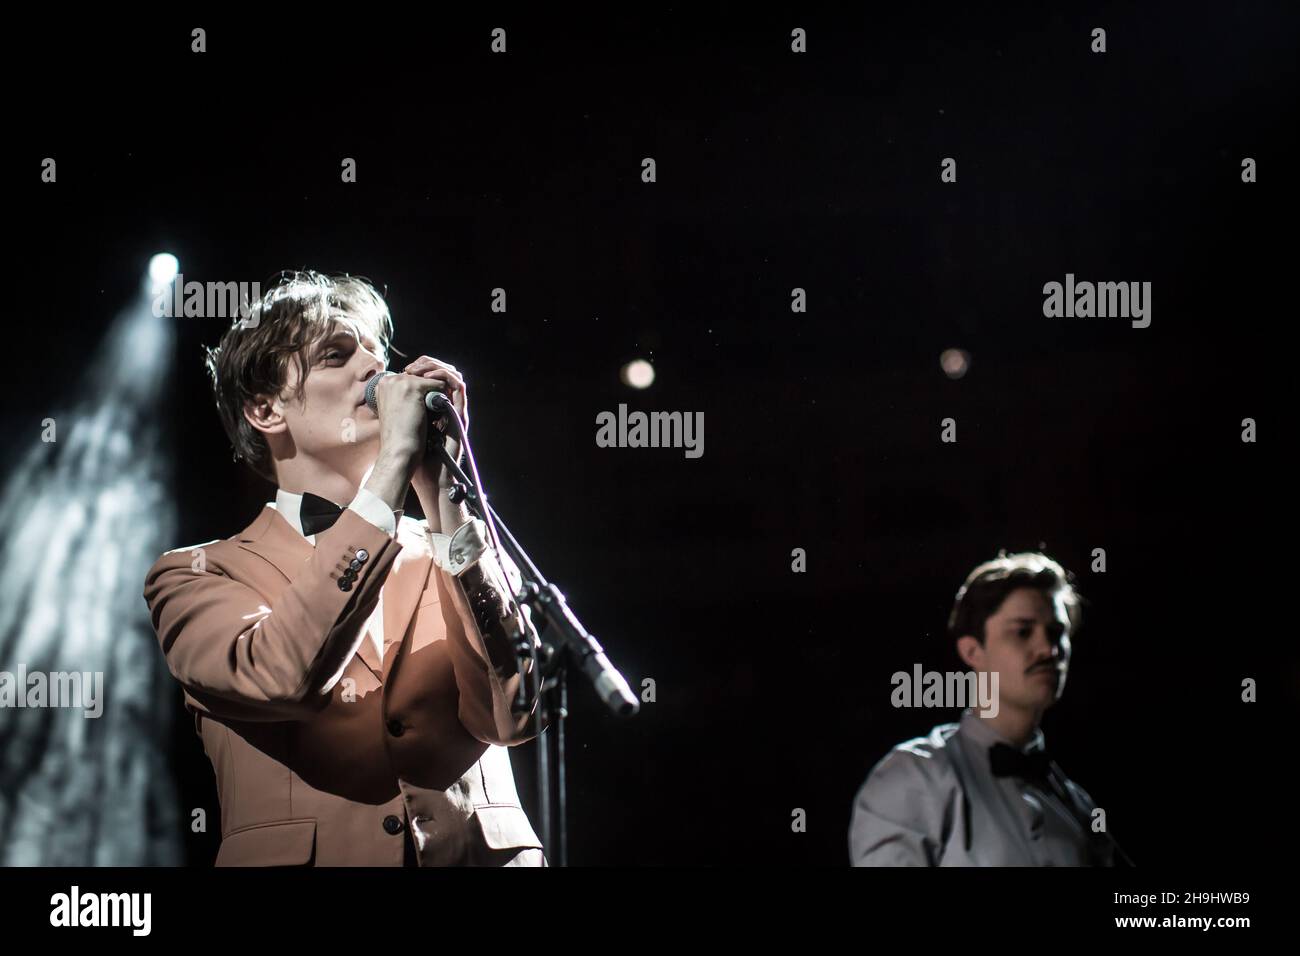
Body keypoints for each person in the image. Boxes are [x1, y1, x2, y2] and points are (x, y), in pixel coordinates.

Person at [144, 270, 547, 866]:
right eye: (337, 355)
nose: (374, 369)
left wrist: (441, 494)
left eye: (375, 353)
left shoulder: (456, 543)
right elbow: (281, 676)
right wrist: (390, 472)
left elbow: (515, 715)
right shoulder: (195, 574)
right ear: (265, 409)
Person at [848, 551, 1124, 866]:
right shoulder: (915, 777)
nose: (1049, 649)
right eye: (1022, 631)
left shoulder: (1078, 807)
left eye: (1057, 632)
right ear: (972, 651)